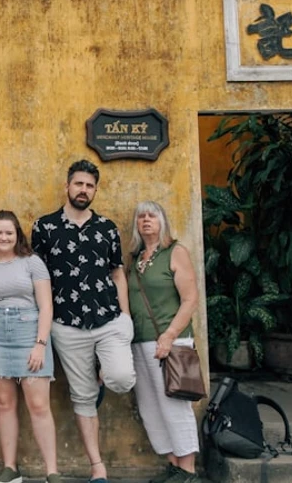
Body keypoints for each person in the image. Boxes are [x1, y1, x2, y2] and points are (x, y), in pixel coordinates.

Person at [32, 159, 135, 483]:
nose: (83, 190)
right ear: (67, 186)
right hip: (66, 325)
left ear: (94, 190)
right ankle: (97, 468)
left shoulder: (107, 227)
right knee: (82, 398)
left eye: (89, 185)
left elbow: (117, 272)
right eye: (78, 184)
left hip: (108, 319)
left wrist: (126, 314)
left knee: (122, 378)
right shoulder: (44, 227)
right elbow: (37, 275)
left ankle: (102, 372)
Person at [0, 211, 61, 483]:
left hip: (31, 332)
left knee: (39, 405)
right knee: (4, 404)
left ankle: (52, 471)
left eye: (9, 232)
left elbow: (46, 306)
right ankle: (10, 469)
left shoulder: (32, 263)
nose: (4, 237)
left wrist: (40, 344)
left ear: (17, 235)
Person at [126, 202, 201, 483]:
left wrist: (169, 335)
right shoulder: (135, 258)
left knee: (174, 404)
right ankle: (173, 465)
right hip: (139, 342)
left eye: (152, 215)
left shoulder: (175, 252)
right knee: (150, 406)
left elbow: (190, 299)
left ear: (162, 221)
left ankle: (188, 470)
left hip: (171, 340)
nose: (146, 220)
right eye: (141, 216)